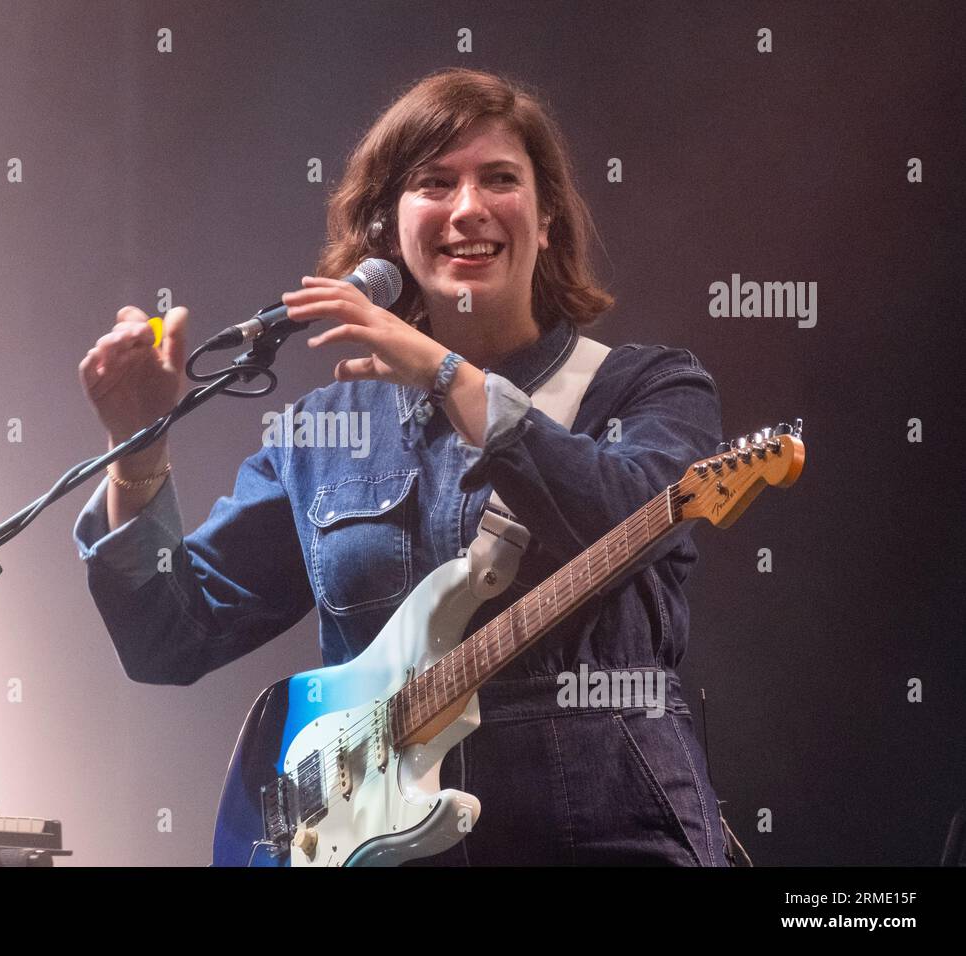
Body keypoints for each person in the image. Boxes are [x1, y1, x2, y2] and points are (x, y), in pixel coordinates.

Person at [74, 68, 728, 865]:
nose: (468, 208)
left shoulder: (644, 388)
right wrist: (138, 453)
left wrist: (445, 374)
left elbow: (628, 516)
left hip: (604, 835)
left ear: (548, 218)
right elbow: (171, 639)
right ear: (388, 234)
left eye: (500, 180)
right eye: (434, 183)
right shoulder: (321, 433)